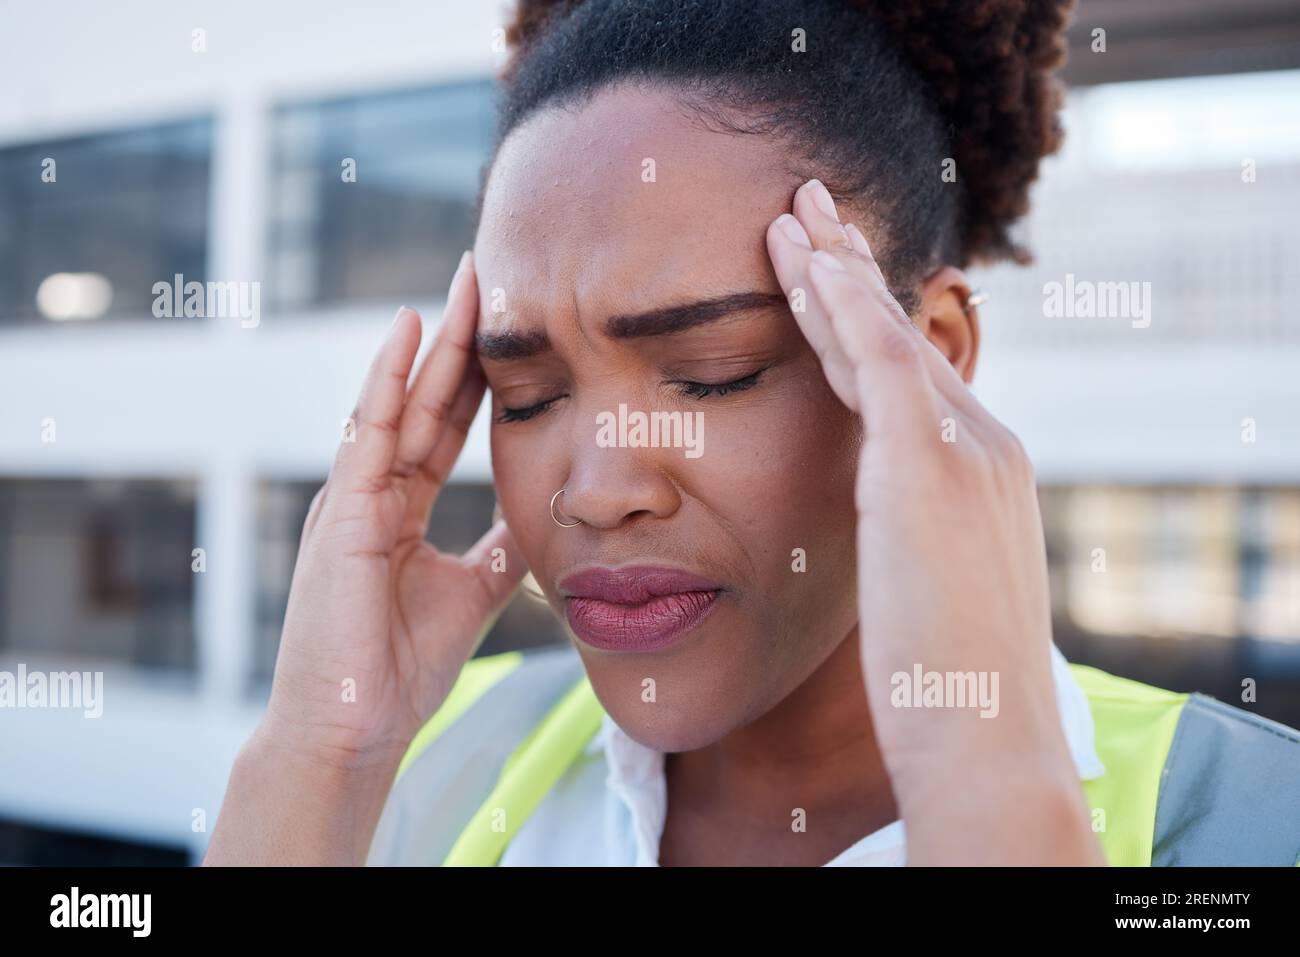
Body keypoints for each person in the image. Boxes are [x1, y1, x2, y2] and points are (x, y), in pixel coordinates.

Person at [204, 0, 1300, 867]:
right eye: (525, 393)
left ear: (936, 361)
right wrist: (320, 756)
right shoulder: (422, 763)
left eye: (710, 374)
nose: (592, 490)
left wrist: (985, 778)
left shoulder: (1249, 824)